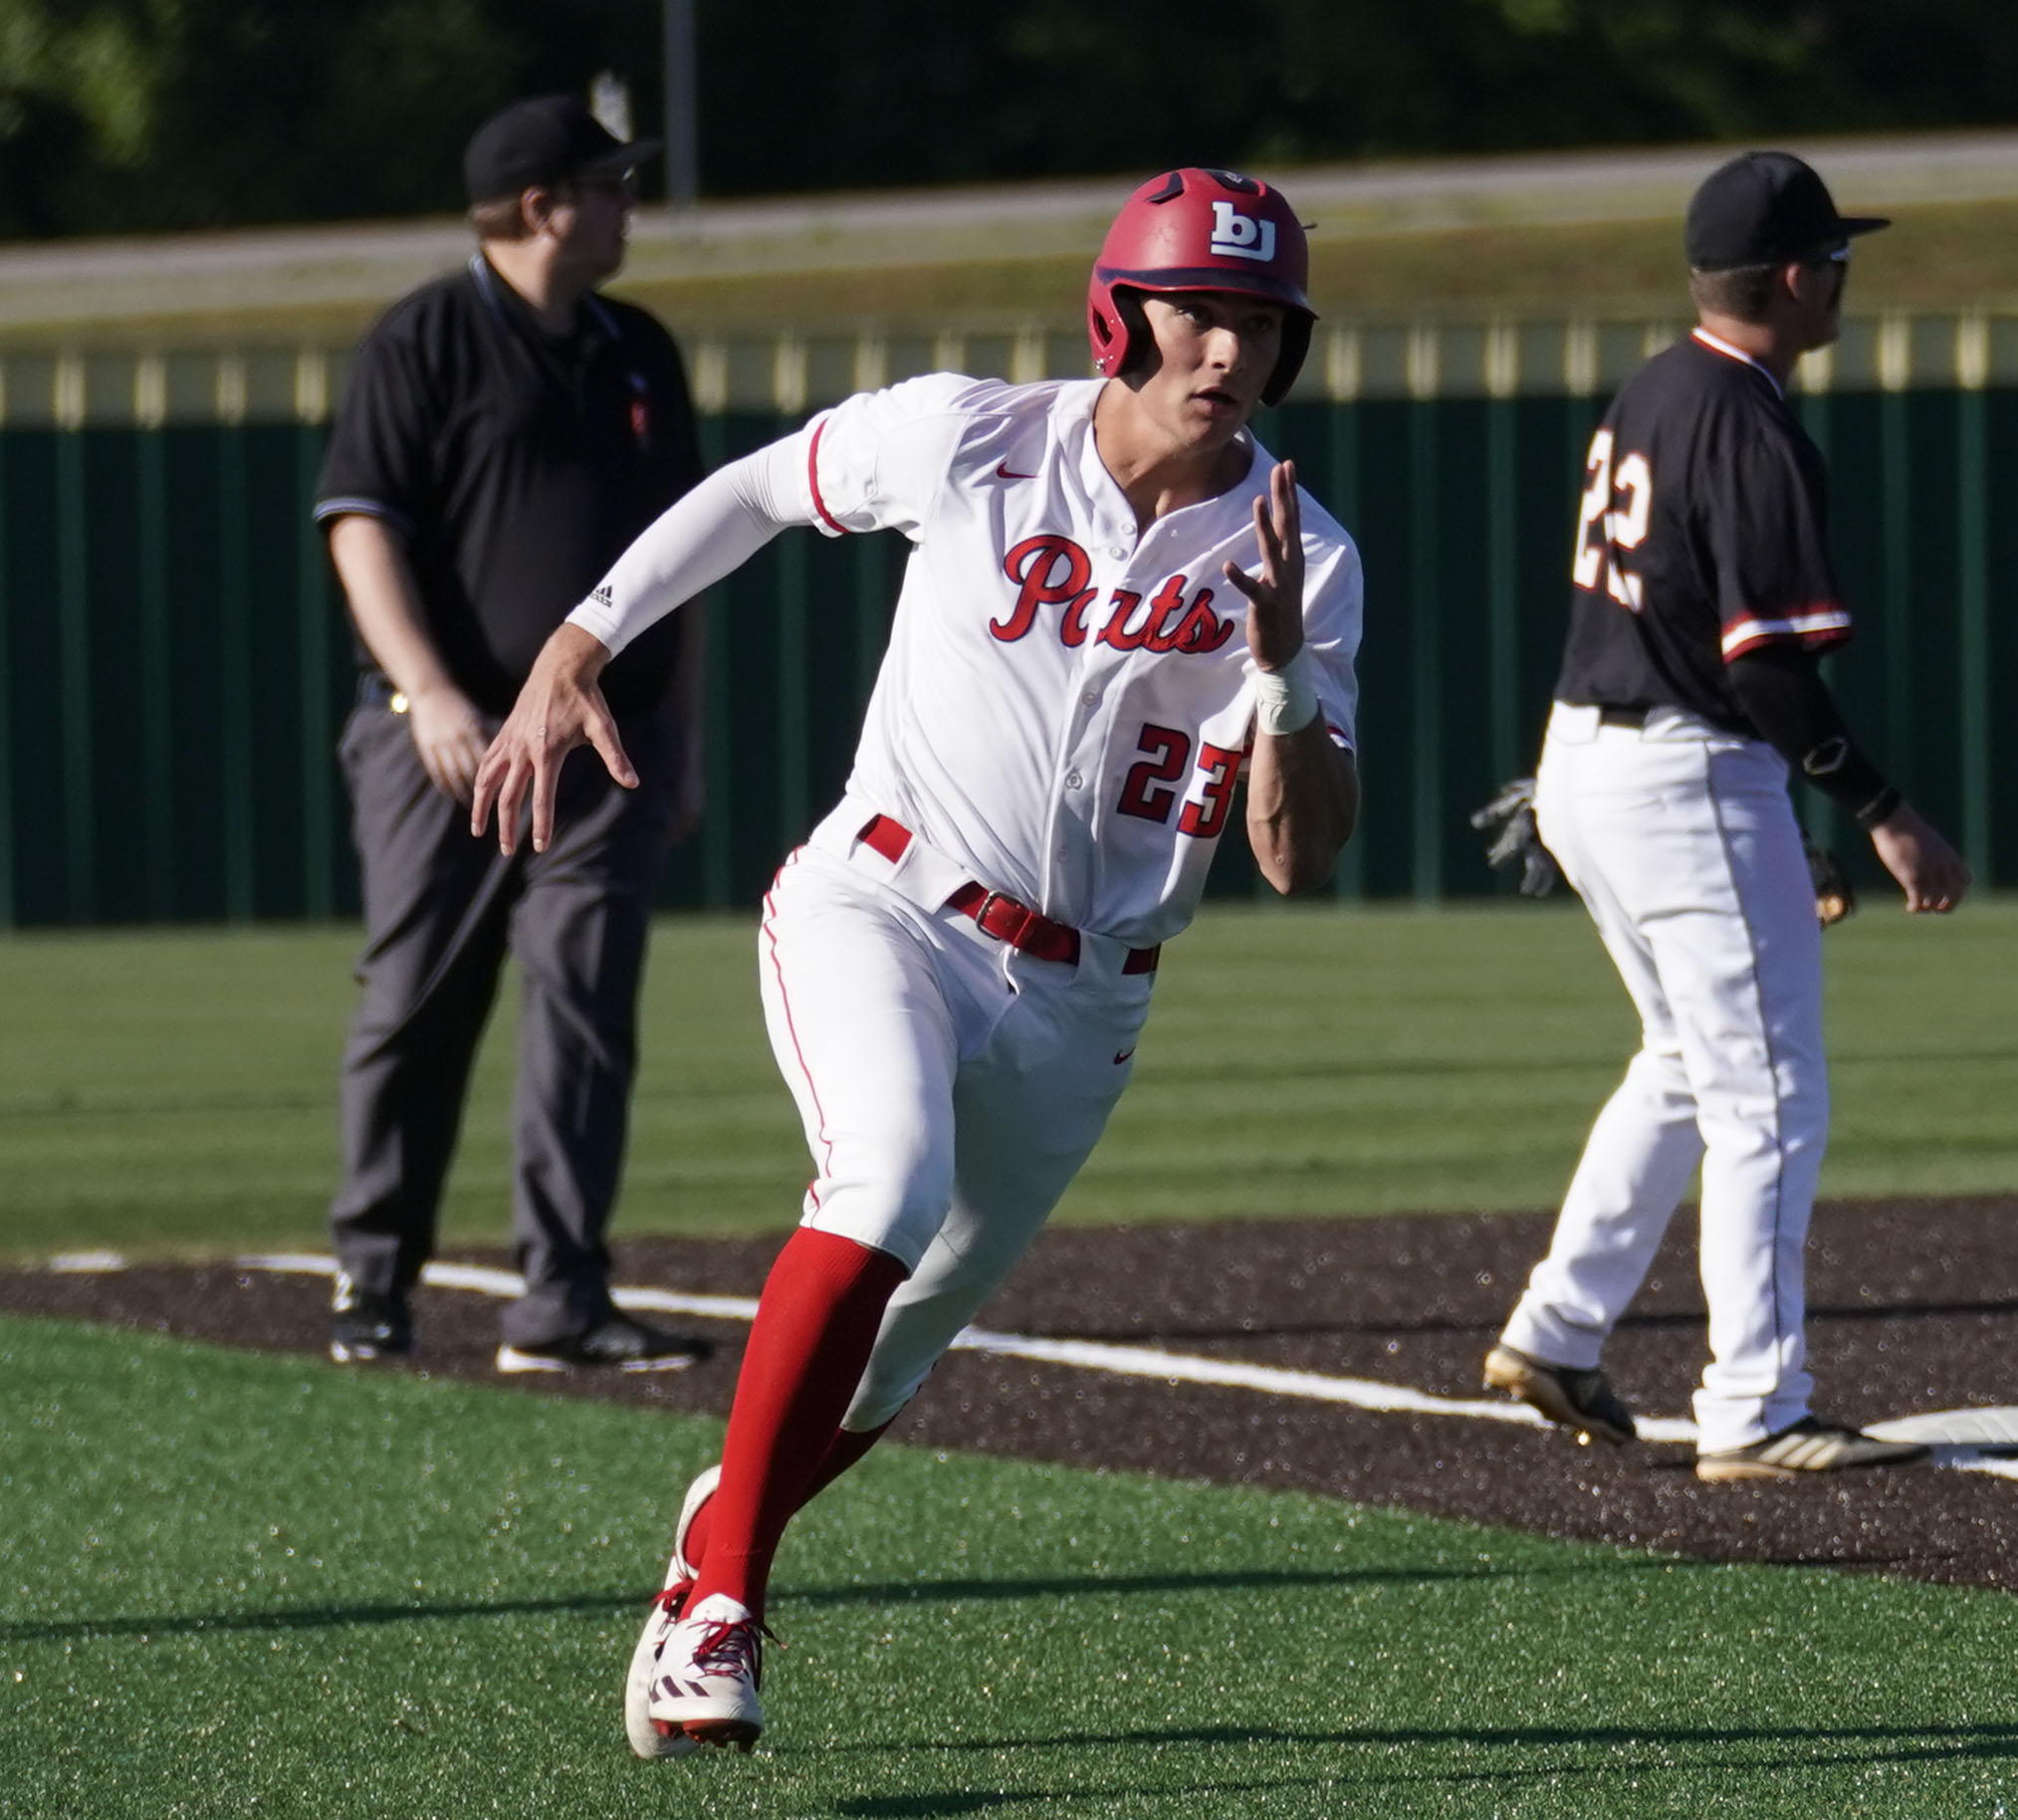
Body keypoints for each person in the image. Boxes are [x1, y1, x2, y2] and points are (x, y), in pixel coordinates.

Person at [467, 167, 1361, 1754]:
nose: (1226, 349)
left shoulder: (1303, 555)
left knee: (888, 1367)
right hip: (884, 902)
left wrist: (1283, 674)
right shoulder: (976, 438)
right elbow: (750, 490)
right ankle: (727, 1604)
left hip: (1090, 994)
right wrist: (580, 638)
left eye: (1260, 322)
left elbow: (1296, 855)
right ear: (1120, 312)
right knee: (879, 1184)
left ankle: (717, 1532)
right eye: (1197, 310)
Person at [1479, 150, 1971, 1480]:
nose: (1844, 281)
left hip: (1595, 753)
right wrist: (1878, 809)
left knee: (1688, 1067)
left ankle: (1558, 1325)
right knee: (1768, 1095)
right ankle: (1754, 1406)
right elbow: (1761, 661)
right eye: (1839, 261)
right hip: (1680, 761)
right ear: (1802, 278)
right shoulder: (1749, 421)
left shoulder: (1655, 386)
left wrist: (1767, 812)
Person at [317, 95, 712, 1376]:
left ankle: (562, 1294)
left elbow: (682, 564)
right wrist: (426, 691)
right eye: (608, 186)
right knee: (415, 1004)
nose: (627, 205)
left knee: (586, 1003)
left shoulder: (640, 350)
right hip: (450, 742)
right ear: (542, 207)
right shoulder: (426, 337)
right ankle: (373, 1278)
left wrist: (685, 738)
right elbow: (360, 522)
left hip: (606, 745)